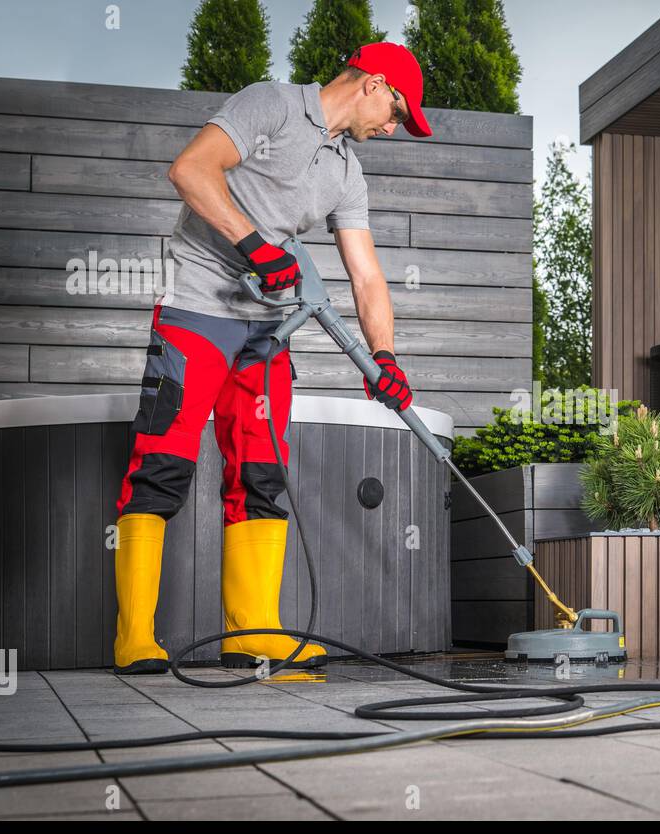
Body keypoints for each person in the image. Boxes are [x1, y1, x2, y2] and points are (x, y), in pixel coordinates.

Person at [112, 43, 429, 674]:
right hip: (198, 311)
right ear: (373, 83)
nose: (392, 126)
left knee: (260, 475)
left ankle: (252, 634)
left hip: (267, 331)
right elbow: (190, 170)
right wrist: (254, 243)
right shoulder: (272, 105)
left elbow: (366, 277)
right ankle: (135, 639)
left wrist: (385, 355)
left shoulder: (346, 173)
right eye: (396, 110)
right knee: (163, 465)